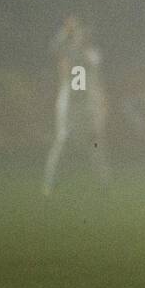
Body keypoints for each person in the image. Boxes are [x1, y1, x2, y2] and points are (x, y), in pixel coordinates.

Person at [42, 14, 109, 196]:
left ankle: (103, 182)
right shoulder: (68, 51)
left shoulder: (91, 54)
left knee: (95, 141)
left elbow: (93, 70)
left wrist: (100, 103)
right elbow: (54, 48)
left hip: (86, 102)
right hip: (69, 101)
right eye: (81, 34)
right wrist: (65, 31)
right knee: (63, 140)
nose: (84, 37)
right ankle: (50, 183)